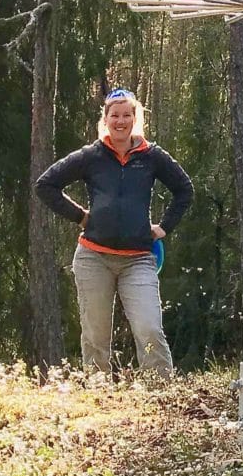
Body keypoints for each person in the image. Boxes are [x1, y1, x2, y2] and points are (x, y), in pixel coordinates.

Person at [35, 88, 193, 378]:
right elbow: (45, 185)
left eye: (126, 115)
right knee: (95, 336)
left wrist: (164, 227)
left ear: (135, 118)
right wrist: (80, 216)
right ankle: (99, 395)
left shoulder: (152, 156)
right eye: (114, 115)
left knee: (149, 329)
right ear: (105, 119)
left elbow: (184, 190)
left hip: (139, 260)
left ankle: (161, 395)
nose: (120, 121)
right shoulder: (91, 156)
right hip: (93, 258)